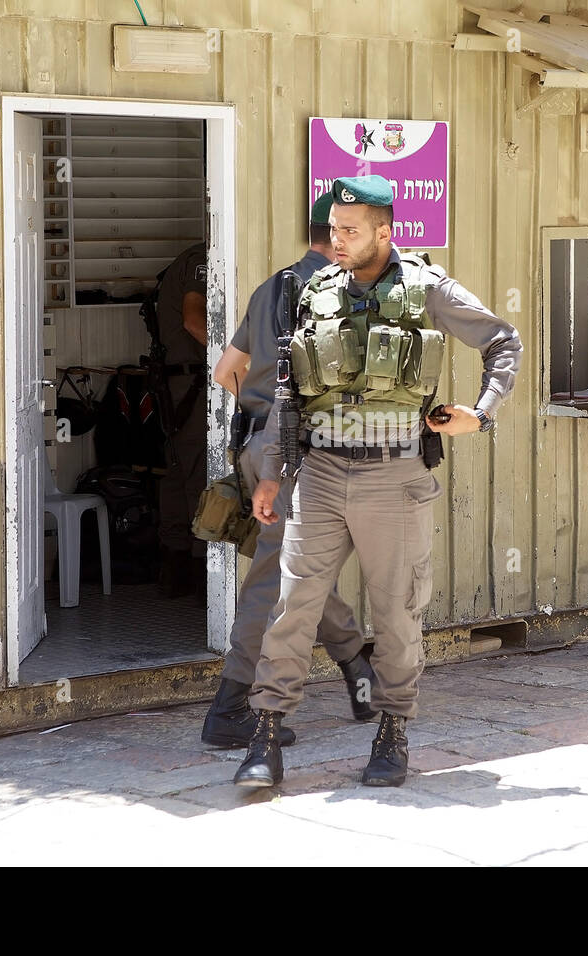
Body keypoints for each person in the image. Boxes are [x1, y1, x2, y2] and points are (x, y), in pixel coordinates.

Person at [233, 174, 522, 788]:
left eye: (349, 231)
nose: (336, 241)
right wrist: (270, 472)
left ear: (385, 231)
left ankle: (392, 731)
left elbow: (503, 342)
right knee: (292, 607)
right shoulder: (312, 292)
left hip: (395, 474)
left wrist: (481, 411)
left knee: (396, 612)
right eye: (333, 229)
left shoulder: (427, 289)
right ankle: (264, 737)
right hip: (319, 471)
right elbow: (290, 393)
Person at [200, 193, 376, 749]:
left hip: (258, 449)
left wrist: (259, 416)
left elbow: (225, 370)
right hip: (300, 456)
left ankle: (359, 672)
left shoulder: (271, 287)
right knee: (273, 583)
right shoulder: (341, 294)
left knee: (302, 572)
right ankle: (230, 710)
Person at [153, 242, 209, 600]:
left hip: (178, 382)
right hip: (191, 382)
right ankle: (201, 567)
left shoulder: (187, 257)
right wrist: (226, 356)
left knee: (178, 469)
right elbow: (193, 319)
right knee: (198, 471)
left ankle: (175, 566)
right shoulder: (201, 258)